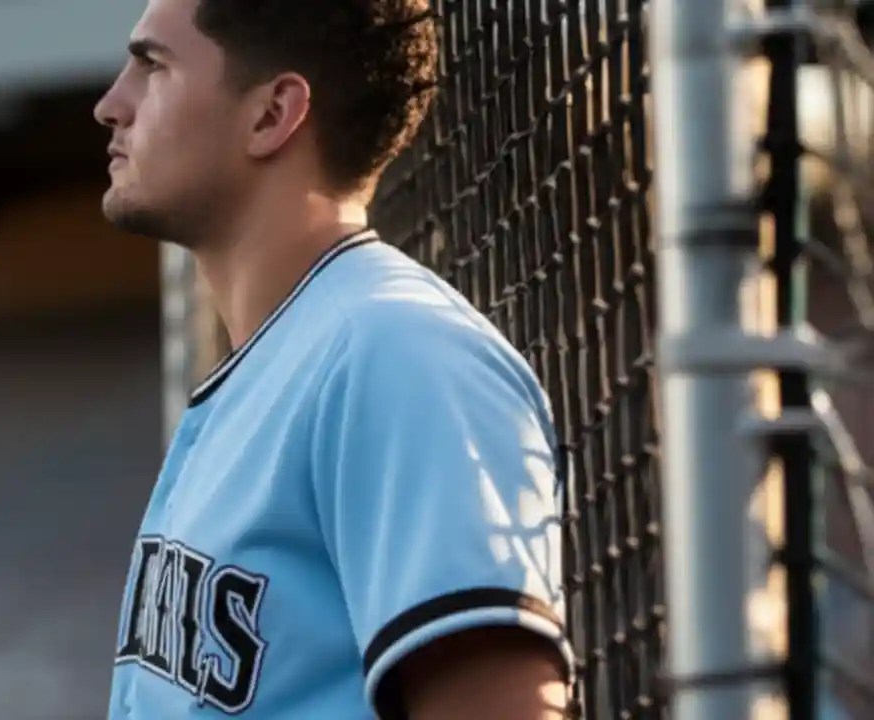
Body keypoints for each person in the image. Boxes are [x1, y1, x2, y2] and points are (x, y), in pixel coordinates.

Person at [93, 0, 571, 717]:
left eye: (152, 66)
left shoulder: (397, 351)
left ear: (272, 115)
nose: (111, 105)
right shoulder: (286, 359)